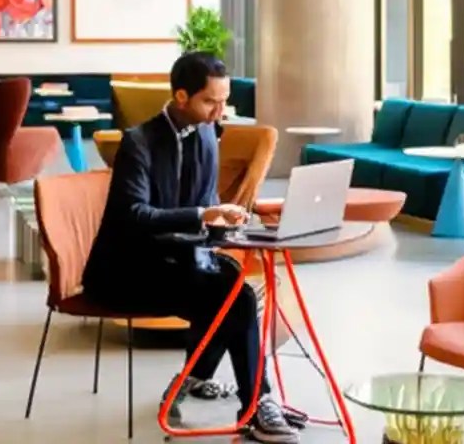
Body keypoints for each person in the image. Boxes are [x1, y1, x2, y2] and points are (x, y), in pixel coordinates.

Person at [81, 52, 303, 443]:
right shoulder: (138, 143)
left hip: (179, 263)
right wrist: (203, 214)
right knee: (234, 299)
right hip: (126, 271)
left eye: (224, 100)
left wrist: (236, 231)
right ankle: (250, 401)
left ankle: (211, 388)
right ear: (181, 96)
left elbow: (204, 210)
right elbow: (136, 215)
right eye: (210, 101)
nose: (220, 111)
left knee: (233, 289)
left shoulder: (206, 134)